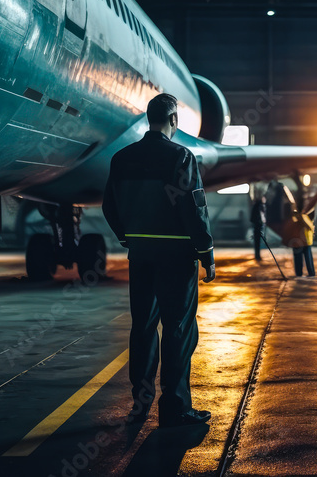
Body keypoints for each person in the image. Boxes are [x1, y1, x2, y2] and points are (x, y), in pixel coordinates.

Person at [102, 93, 216, 427]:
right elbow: (193, 209)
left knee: (143, 327)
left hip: (140, 255)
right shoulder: (181, 156)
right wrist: (205, 252)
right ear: (174, 120)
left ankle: (140, 403)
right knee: (178, 328)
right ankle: (176, 407)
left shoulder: (122, 158)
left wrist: (127, 237)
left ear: (148, 118)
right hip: (177, 257)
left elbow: (109, 205)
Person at [290, 209, 316, 277]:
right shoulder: (306, 210)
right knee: (307, 256)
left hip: (302, 237)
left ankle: (303, 273)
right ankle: (309, 273)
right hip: (301, 237)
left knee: (304, 256)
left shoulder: (303, 211)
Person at [250, 194, 266, 261]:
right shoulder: (258, 207)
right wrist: (258, 223)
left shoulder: (258, 206)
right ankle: (257, 256)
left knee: (257, 242)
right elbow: (253, 218)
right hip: (257, 227)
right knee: (257, 242)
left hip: (257, 226)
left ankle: (257, 255)